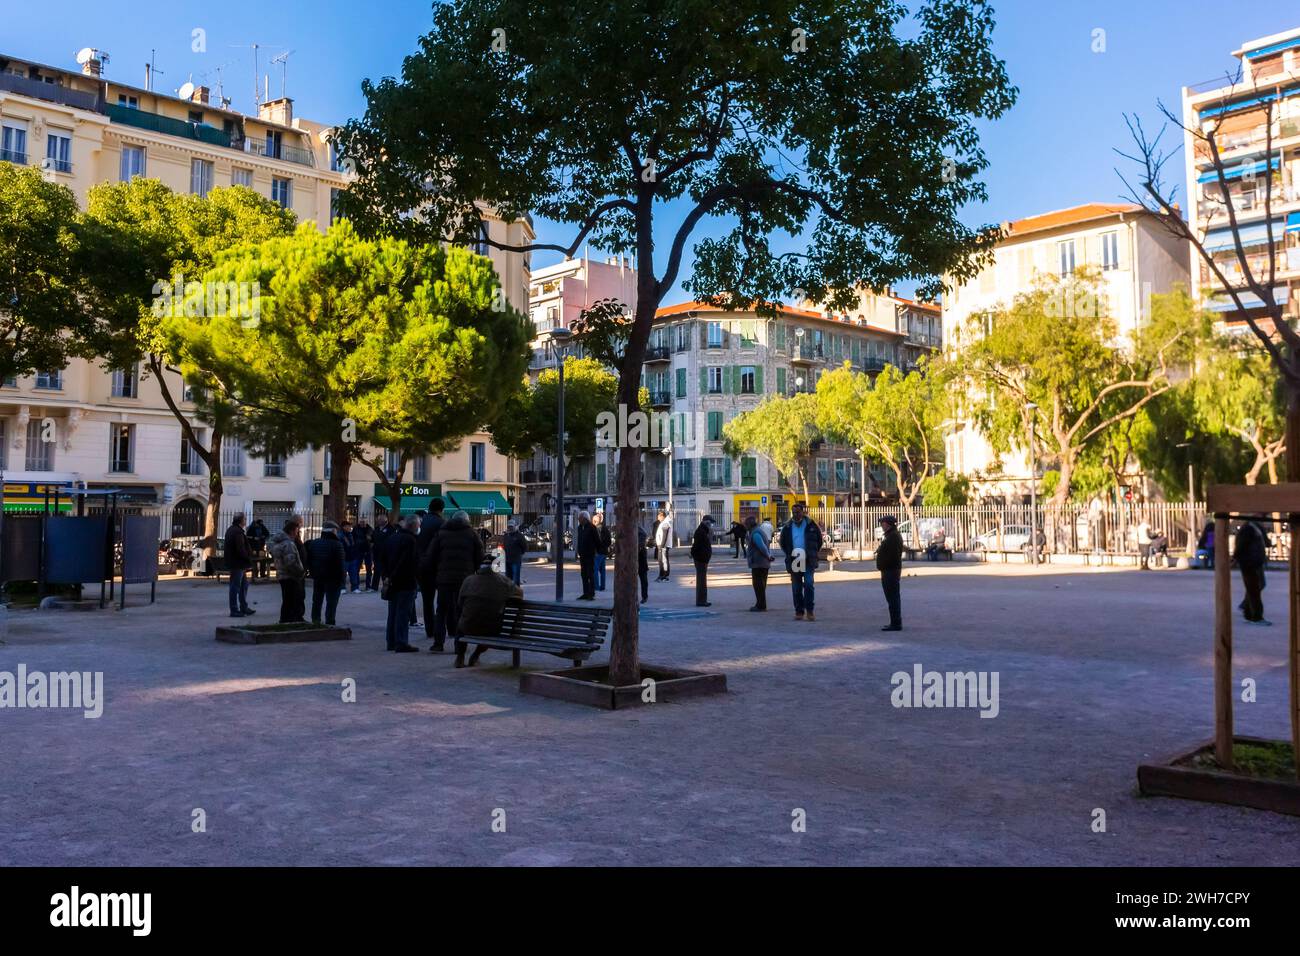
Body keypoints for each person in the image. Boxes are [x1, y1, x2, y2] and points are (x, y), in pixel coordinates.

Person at [426, 510, 484, 652]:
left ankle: (438, 643)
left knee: (441, 610)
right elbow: (480, 556)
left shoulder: (442, 533)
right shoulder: (472, 534)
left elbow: (431, 555)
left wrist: (436, 572)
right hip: (464, 579)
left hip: (444, 579)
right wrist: (475, 571)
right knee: (461, 612)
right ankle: (459, 645)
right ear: (467, 520)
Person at [455, 558, 525, 668]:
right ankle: (476, 655)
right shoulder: (503, 582)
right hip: (491, 629)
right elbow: (520, 593)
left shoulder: (468, 580)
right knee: (486, 622)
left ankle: (460, 657)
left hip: (468, 626)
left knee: (461, 623)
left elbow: (460, 603)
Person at [779, 501, 823, 621]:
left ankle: (810, 610)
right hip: (795, 558)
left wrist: (813, 552)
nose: (795, 515)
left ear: (803, 512)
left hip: (808, 559)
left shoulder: (811, 524)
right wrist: (789, 554)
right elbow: (782, 543)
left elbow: (819, 541)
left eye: (798, 512)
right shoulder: (787, 527)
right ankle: (799, 611)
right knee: (796, 587)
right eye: (793, 513)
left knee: (809, 584)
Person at [383, 514, 422, 652]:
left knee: (393, 612)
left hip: (392, 581)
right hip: (406, 581)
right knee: (403, 613)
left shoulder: (392, 538)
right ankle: (401, 642)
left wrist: (388, 576)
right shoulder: (411, 540)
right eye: (418, 525)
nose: (419, 527)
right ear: (414, 526)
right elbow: (409, 561)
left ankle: (391, 641)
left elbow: (384, 559)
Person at [416, 497, 447, 640]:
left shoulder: (421, 521)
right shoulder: (441, 523)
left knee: (427, 600)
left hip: (422, 566)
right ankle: (440, 629)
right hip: (438, 566)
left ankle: (429, 629)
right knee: (442, 600)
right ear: (441, 510)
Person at [306, 521, 347, 626]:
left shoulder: (314, 543)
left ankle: (316, 620)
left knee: (317, 600)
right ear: (333, 531)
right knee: (331, 602)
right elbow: (341, 564)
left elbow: (309, 560)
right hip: (333, 578)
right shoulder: (337, 545)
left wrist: (313, 573)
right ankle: (330, 621)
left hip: (318, 577)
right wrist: (343, 579)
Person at [268, 517, 307, 624]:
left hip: (283, 574)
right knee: (292, 600)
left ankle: (285, 620)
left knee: (287, 600)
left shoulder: (278, 542)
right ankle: (289, 621)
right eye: (296, 530)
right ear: (291, 530)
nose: (297, 532)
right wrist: (300, 572)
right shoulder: (288, 543)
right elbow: (291, 562)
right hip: (291, 576)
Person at [1235, 519, 1269, 625]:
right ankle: (1255, 616)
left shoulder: (1255, 526)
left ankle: (1248, 611)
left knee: (1256, 586)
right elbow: (1241, 545)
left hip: (1254, 561)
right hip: (1250, 562)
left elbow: (1265, 542)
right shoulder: (1249, 528)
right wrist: (1236, 558)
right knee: (1254, 588)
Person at [223, 514, 255, 618]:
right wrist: (248, 558)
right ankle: (234, 609)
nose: (246, 520)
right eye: (245, 519)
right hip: (238, 563)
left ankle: (243, 607)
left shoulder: (232, 530)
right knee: (235, 586)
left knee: (243, 585)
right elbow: (240, 549)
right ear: (241, 521)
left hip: (237, 563)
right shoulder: (237, 532)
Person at [876, 515, 904, 631]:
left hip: (890, 571)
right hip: (889, 570)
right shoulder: (891, 536)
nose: (881, 525)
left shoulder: (893, 537)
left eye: (882, 523)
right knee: (892, 598)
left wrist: (883, 564)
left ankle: (896, 623)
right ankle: (894, 622)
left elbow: (892, 556)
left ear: (888, 524)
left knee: (892, 598)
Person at [746, 515, 771, 611]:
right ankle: (760, 603)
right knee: (761, 585)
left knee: (758, 585)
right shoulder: (758, 531)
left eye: (746, 524)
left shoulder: (756, 533)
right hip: (762, 563)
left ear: (749, 525)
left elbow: (761, 546)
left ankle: (761, 605)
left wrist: (768, 556)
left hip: (759, 563)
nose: (745, 526)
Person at [689, 515, 714, 606]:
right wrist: (692, 554)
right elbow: (696, 546)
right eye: (710, 523)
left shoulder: (704, 531)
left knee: (702, 580)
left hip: (703, 559)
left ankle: (703, 600)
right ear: (705, 522)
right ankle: (701, 601)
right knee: (701, 581)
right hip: (701, 559)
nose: (711, 525)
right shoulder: (700, 531)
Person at [575, 510, 598, 600]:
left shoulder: (592, 527)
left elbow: (597, 540)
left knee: (590, 574)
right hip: (582, 555)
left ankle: (591, 593)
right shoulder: (580, 527)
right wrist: (578, 550)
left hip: (590, 554)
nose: (579, 520)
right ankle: (585, 592)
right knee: (583, 574)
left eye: (580, 518)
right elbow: (579, 540)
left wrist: (597, 551)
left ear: (584, 518)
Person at [339, 520, 363, 594]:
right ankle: (342, 587)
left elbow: (354, 545)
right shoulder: (340, 535)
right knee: (343, 574)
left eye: (350, 526)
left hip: (352, 557)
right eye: (348, 526)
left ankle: (354, 587)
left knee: (354, 573)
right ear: (344, 527)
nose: (350, 527)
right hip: (345, 558)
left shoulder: (350, 534)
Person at [502, 520, 527, 585]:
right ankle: (509, 592)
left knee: (516, 578)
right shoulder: (506, 535)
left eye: (511, 527)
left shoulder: (519, 536)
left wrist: (519, 554)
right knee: (508, 578)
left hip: (516, 560)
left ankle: (516, 592)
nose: (510, 528)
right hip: (507, 560)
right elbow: (504, 545)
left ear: (515, 527)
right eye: (509, 527)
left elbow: (524, 547)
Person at [593, 511, 612, 591]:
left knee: (595, 570)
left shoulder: (596, 529)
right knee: (602, 570)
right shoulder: (605, 529)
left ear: (595, 521)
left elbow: (596, 541)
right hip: (604, 552)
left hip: (597, 552)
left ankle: (596, 586)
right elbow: (609, 541)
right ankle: (603, 586)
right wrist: (605, 547)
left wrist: (597, 548)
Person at [355, 518, 376, 590]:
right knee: (356, 569)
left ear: (367, 522)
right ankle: (356, 586)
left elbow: (374, 540)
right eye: (361, 522)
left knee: (369, 569)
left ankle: (368, 585)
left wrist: (371, 544)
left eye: (364, 522)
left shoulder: (370, 529)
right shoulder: (356, 529)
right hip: (359, 551)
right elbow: (353, 539)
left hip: (368, 551)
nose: (362, 523)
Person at [654, 509, 673, 581]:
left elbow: (665, 535)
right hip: (662, 545)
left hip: (663, 546)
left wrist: (662, 546)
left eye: (658, 517)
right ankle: (661, 574)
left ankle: (664, 575)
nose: (658, 518)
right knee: (661, 560)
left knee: (663, 560)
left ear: (662, 516)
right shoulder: (664, 522)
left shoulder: (666, 523)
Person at [636, 524, 650, 604]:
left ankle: (644, 596)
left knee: (643, 578)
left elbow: (643, 535)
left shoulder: (638, 529)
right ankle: (643, 596)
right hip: (635, 557)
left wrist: (639, 546)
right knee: (643, 578)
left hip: (640, 558)